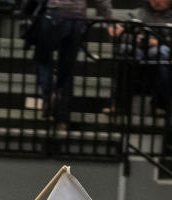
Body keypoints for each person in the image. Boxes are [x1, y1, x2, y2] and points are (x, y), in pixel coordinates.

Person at [31, 0, 117, 128]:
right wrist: (108, 19)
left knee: (42, 58)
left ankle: (48, 92)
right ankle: (62, 119)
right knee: (66, 69)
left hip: (55, 14)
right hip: (77, 18)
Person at [125, 0, 172, 115]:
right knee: (124, 50)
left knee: (163, 53)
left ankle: (160, 104)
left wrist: (160, 42)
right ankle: (119, 104)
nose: (156, 1)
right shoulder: (137, 14)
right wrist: (143, 41)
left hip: (165, 54)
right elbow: (123, 34)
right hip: (140, 50)